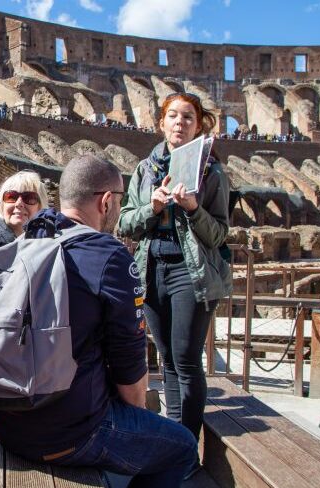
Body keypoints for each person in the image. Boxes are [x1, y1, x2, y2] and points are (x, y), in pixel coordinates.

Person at [0, 155, 196, 488]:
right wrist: (139, 417)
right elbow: (130, 370)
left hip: (6, 421)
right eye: (122, 199)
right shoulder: (108, 255)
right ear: (107, 201)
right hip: (66, 435)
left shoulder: (28, 239)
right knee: (181, 447)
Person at [118, 93, 232, 450]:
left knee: (186, 360)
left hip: (190, 273)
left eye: (187, 117)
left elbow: (219, 234)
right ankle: (174, 443)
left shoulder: (212, 172)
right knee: (166, 361)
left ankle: (185, 446)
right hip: (152, 270)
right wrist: (151, 208)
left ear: (199, 125)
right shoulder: (145, 169)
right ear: (161, 123)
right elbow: (125, 223)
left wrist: (193, 208)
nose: (179, 122)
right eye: (172, 116)